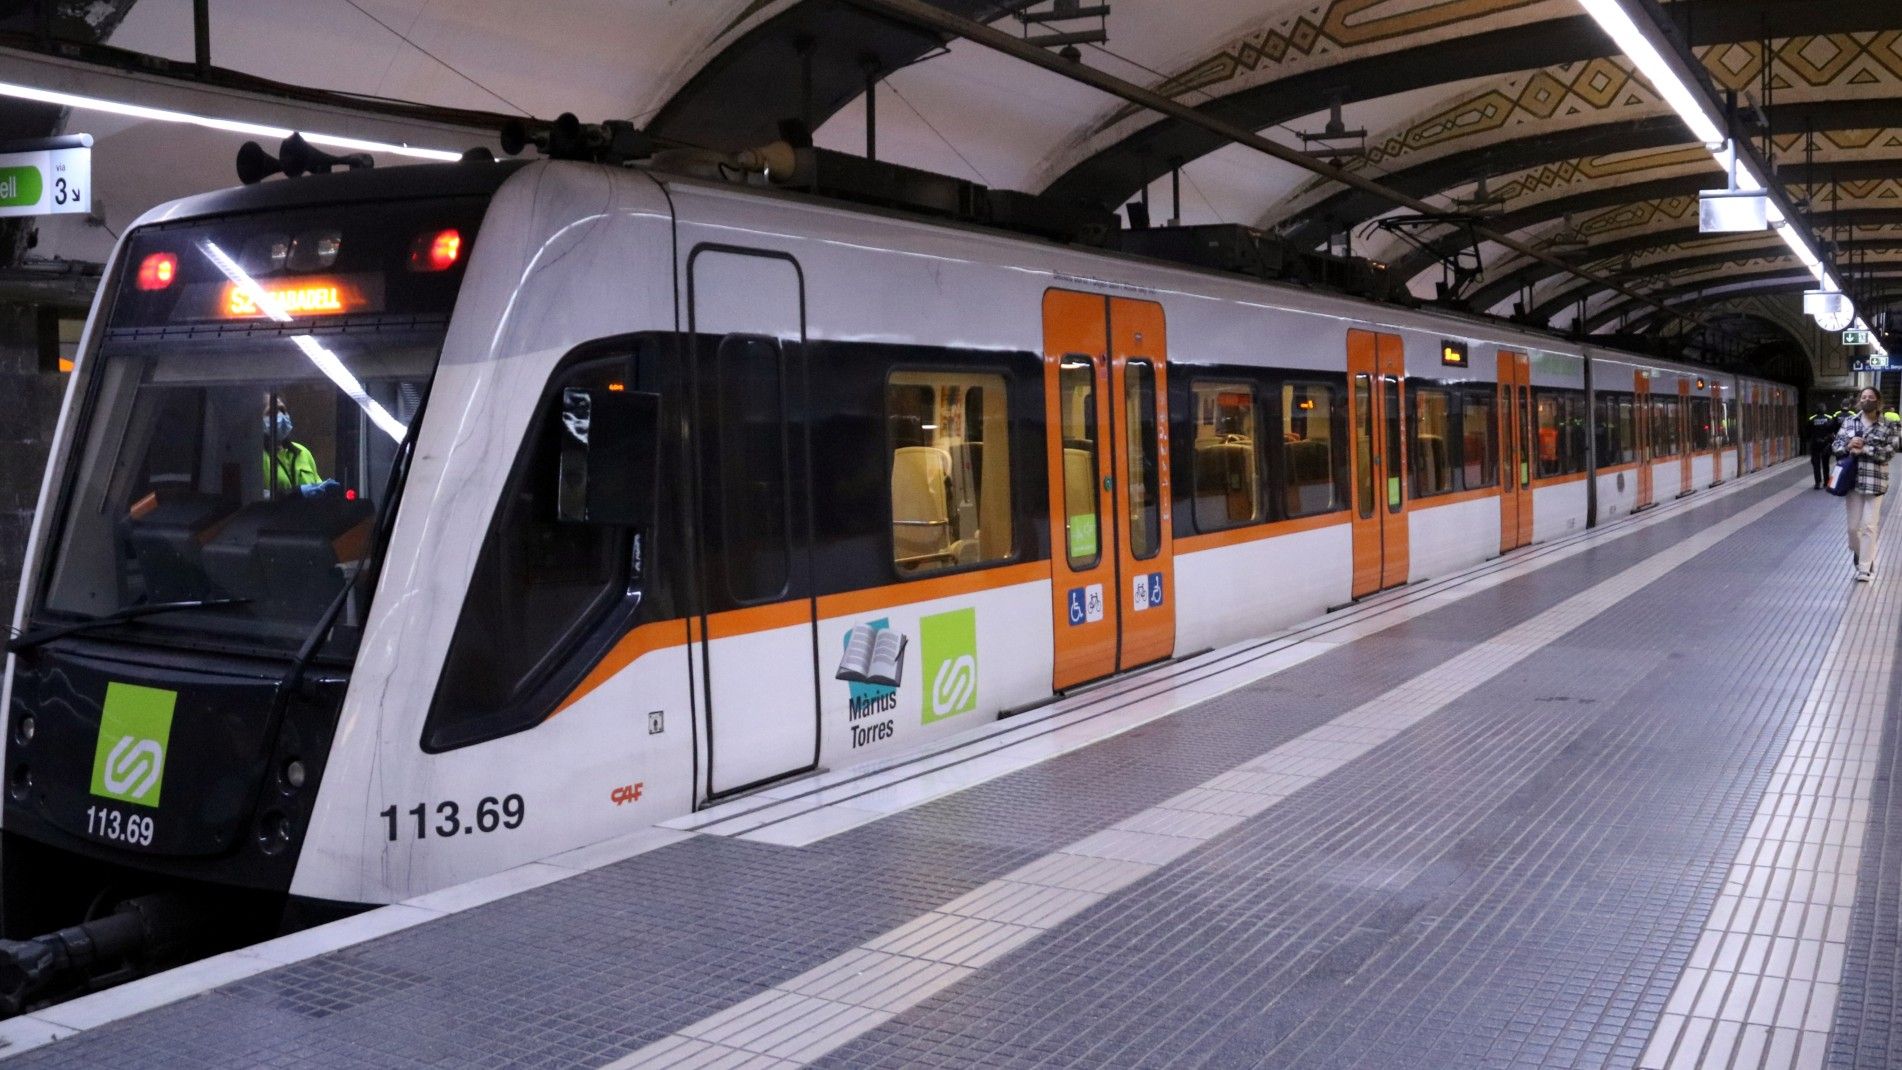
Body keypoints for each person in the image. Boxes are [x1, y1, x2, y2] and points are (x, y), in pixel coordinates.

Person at [1831, 386, 1895, 582]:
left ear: (1878, 400)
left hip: (1875, 482)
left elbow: (1890, 451)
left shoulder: (1888, 425)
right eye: (1864, 396)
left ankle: (1865, 568)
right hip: (1853, 482)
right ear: (1860, 400)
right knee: (1853, 528)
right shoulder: (1850, 422)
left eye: (1871, 396)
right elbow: (1836, 446)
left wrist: (1865, 449)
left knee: (1869, 525)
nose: (1867, 399)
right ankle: (1860, 552)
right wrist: (1848, 446)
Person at [262, 399, 339, 499]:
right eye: (272, 412)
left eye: (282, 410)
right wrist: (297, 493)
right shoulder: (257, 457)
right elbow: (256, 496)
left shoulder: (302, 451)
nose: (280, 416)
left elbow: (316, 484)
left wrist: (323, 489)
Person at [1809, 405, 1841, 488]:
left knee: (1816, 464)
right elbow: (1832, 431)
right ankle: (1826, 482)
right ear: (1824, 410)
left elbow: (1808, 431)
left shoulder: (1812, 419)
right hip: (1825, 444)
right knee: (1825, 463)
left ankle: (1817, 483)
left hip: (1815, 444)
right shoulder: (1829, 418)